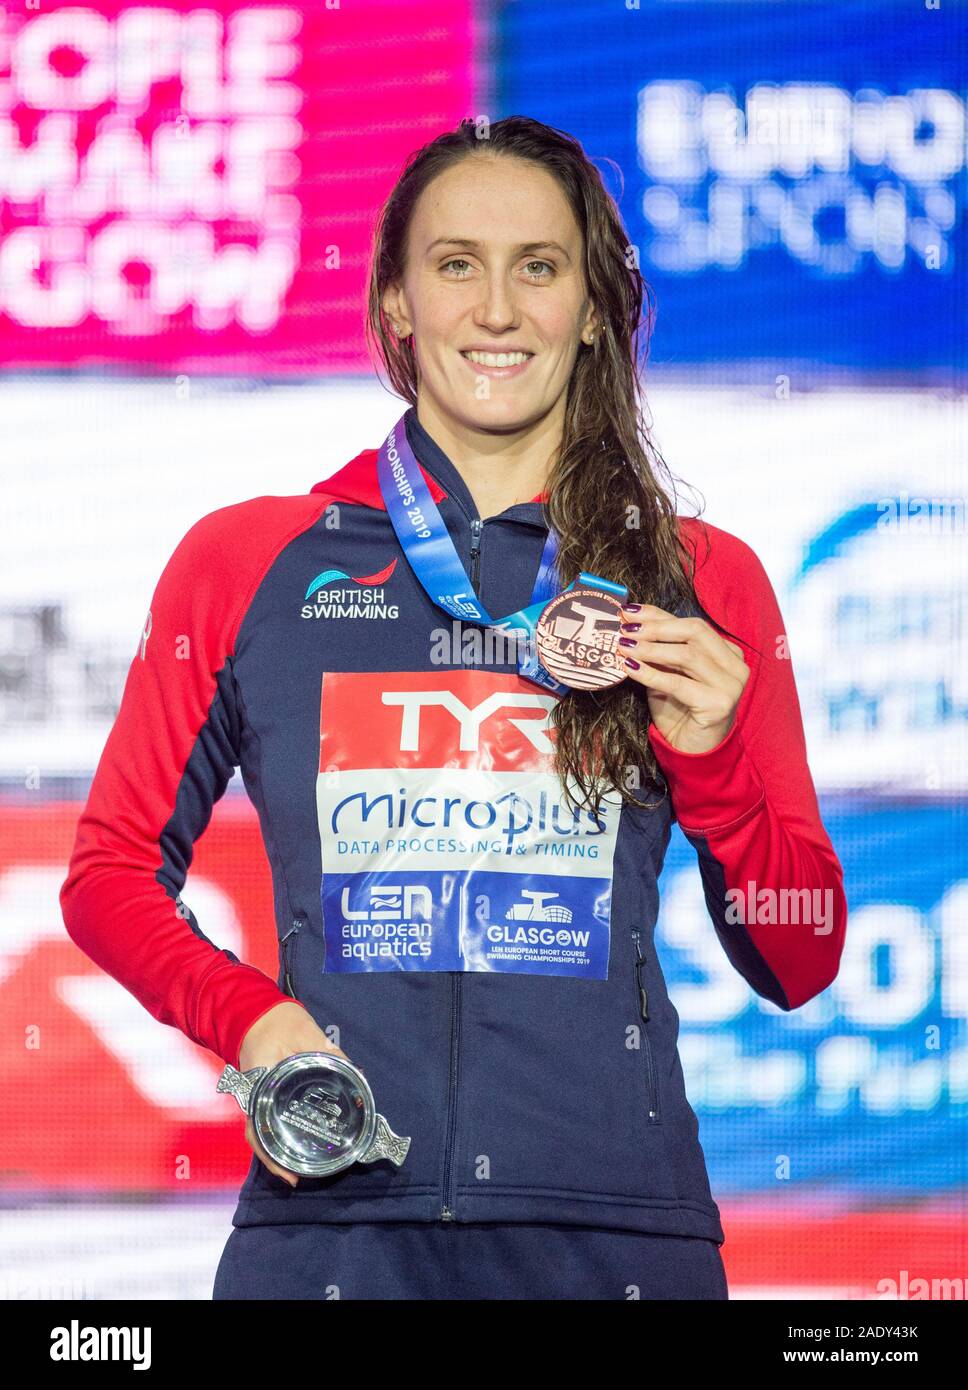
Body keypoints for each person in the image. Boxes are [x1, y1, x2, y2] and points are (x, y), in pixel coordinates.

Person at [60, 115, 847, 1301]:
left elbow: (801, 954)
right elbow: (108, 873)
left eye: (538, 266)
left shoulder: (697, 578)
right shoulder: (247, 561)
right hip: (331, 1225)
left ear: (592, 309)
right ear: (394, 305)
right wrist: (251, 1021)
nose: (495, 310)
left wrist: (715, 768)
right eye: (454, 265)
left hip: (613, 1237)